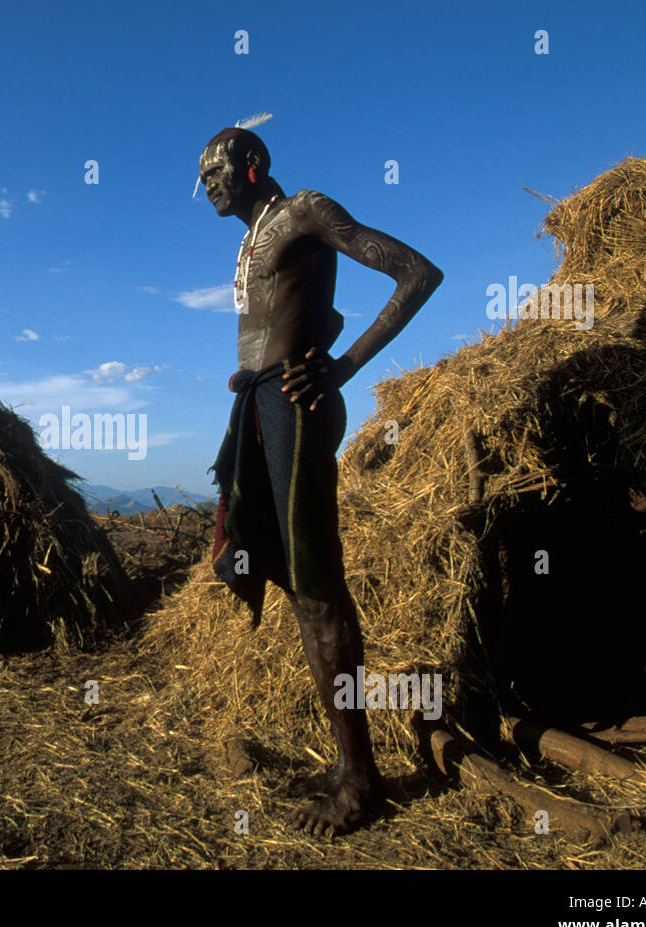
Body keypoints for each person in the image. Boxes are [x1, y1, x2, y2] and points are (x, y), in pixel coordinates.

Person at [201, 126, 443, 836]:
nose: (207, 183)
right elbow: (304, 310)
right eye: (202, 175)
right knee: (299, 587)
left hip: (297, 407)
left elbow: (417, 274)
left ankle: (360, 781)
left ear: (251, 165)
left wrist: (340, 366)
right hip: (263, 402)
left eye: (215, 169)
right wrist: (255, 375)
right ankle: (349, 766)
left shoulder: (304, 209)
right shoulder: (252, 238)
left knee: (318, 588)